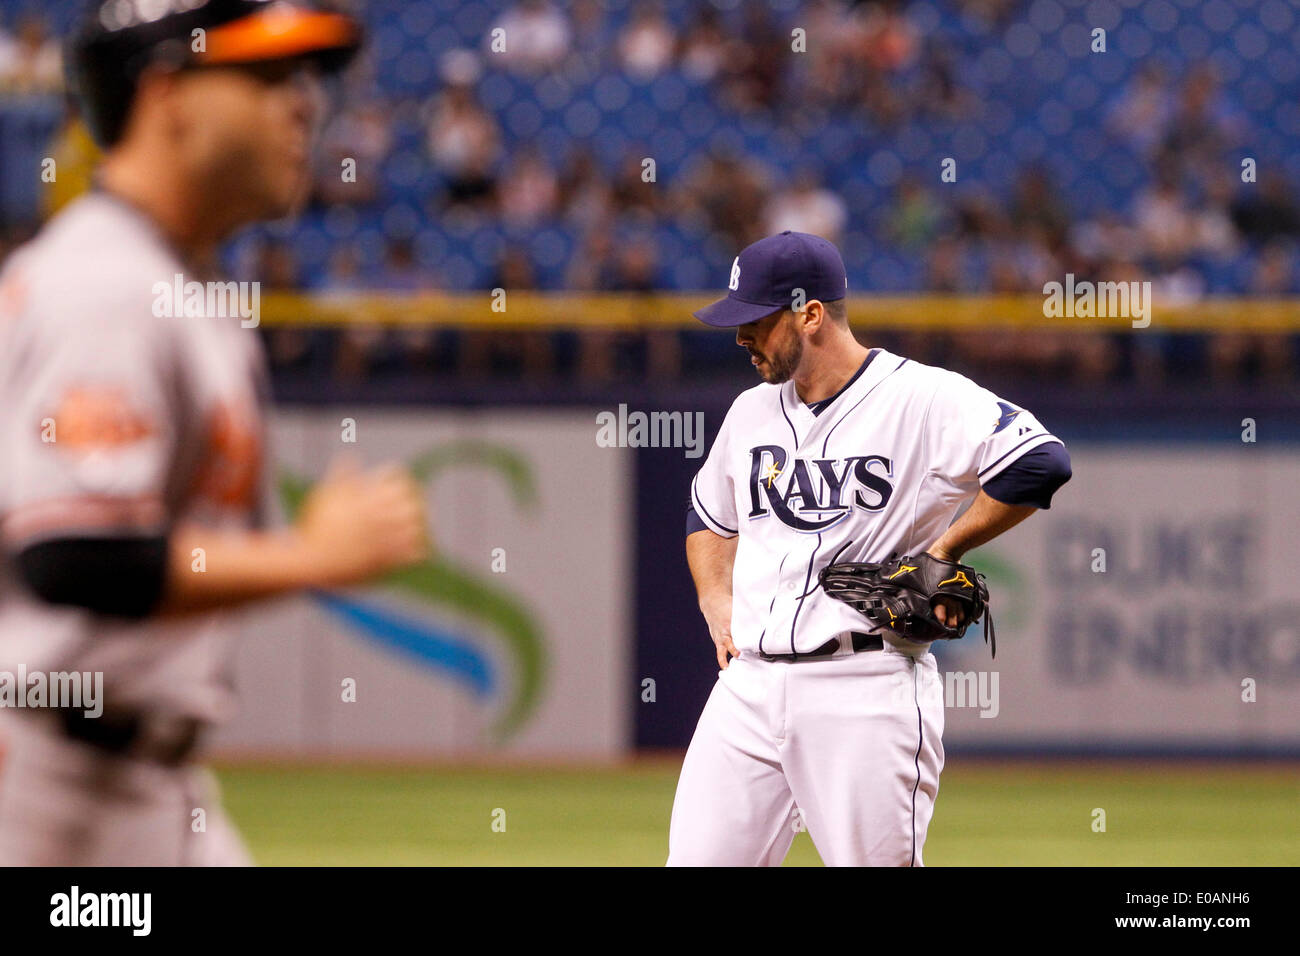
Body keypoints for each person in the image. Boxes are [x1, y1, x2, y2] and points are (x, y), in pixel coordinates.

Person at [0, 0, 429, 866]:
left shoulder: (176, 286)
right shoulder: (104, 285)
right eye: (267, 76)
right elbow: (76, 555)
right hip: (46, 788)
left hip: (151, 782)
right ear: (170, 99)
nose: (304, 104)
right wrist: (311, 556)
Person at [669, 231, 1072, 866]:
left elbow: (1041, 461)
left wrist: (945, 546)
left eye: (756, 320)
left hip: (865, 684)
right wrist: (714, 598)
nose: (740, 337)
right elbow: (708, 512)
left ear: (810, 314)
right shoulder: (750, 412)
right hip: (747, 690)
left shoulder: (923, 398)